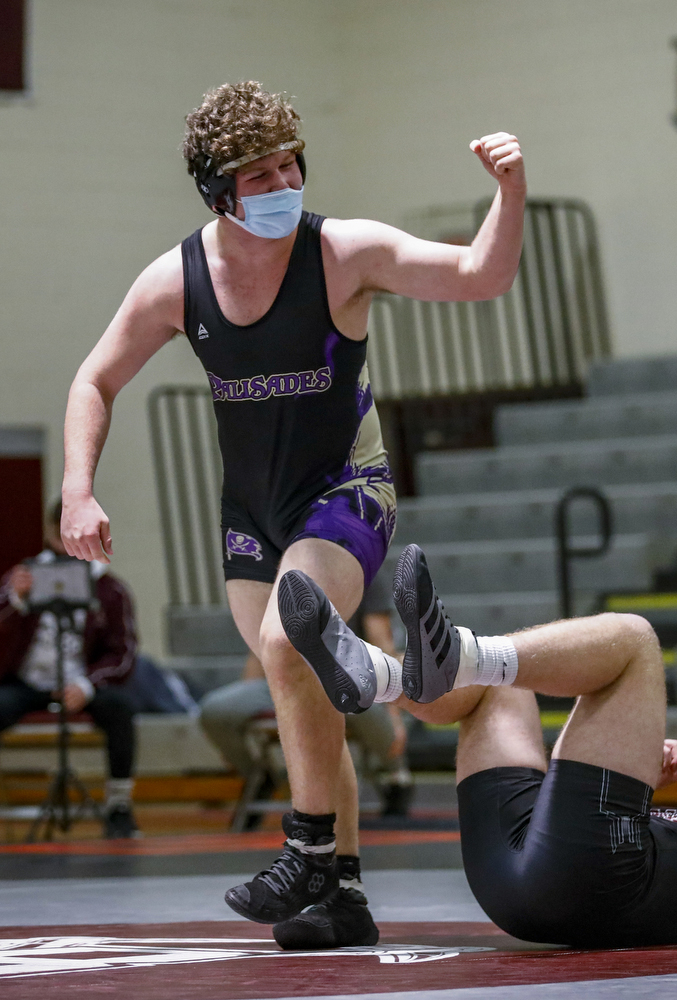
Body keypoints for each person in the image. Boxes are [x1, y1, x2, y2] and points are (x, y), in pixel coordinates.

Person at [60, 80, 525, 938]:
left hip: (347, 489)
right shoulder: (178, 280)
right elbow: (96, 377)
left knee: (288, 638)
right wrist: (77, 486)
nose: (282, 189)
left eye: (288, 168)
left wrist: (510, 192)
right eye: (259, 178)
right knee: (301, 679)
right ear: (216, 194)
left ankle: (307, 849)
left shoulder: (341, 252)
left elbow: (477, 275)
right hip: (253, 515)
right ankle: (342, 895)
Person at [277, 543, 677, 949]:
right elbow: (584, 818)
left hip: (591, 885)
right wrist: (643, 782)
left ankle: (459, 655)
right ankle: (379, 677)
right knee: (501, 693)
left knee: (635, 641)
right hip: (517, 886)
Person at [200, 571, 413, 830]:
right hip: (287, 681)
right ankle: (260, 774)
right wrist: (244, 707)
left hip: (347, 677)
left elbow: (381, 641)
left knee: (361, 702)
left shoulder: (362, 573)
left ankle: (395, 774)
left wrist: (393, 712)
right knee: (215, 710)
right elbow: (262, 649)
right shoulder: (281, 575)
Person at [0, 500, 140, 839]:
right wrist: (14, 603)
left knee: (120, 709)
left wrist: (88, 684)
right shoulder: (22, 578)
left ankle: (119, 804)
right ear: (50, 534)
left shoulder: (110, 588)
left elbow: (123, 653)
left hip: (81, 683)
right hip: (26, 683)